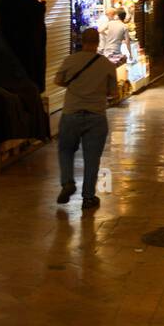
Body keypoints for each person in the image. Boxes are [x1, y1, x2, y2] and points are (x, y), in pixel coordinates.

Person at [53, 28, 122, 211]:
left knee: (66, 150)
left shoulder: (70, 60)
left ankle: (67, 182)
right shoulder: (106, 64)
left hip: (71, 114)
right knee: (92, 158)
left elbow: (58, 81)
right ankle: (88, 197)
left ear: (81, 41)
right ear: (98, 42)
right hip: (96, 116)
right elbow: (113, 92)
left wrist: (74, 85)